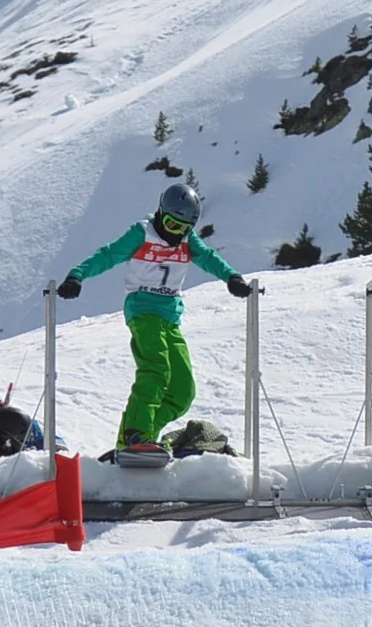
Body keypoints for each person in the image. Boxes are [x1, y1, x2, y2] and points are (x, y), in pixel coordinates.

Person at [55, 184, 251, 457]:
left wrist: (232, 277)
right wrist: (77, 275)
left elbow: (208, 257)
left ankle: (137, 438)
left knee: (183, 390)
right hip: (142, 308)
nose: (174, 232)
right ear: (161, 212)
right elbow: (109, 254)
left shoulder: (187, 240)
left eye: (182, 228)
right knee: (156, 370)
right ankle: (137, 435)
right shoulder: (142, 233)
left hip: (170, 315)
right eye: (171, 223)